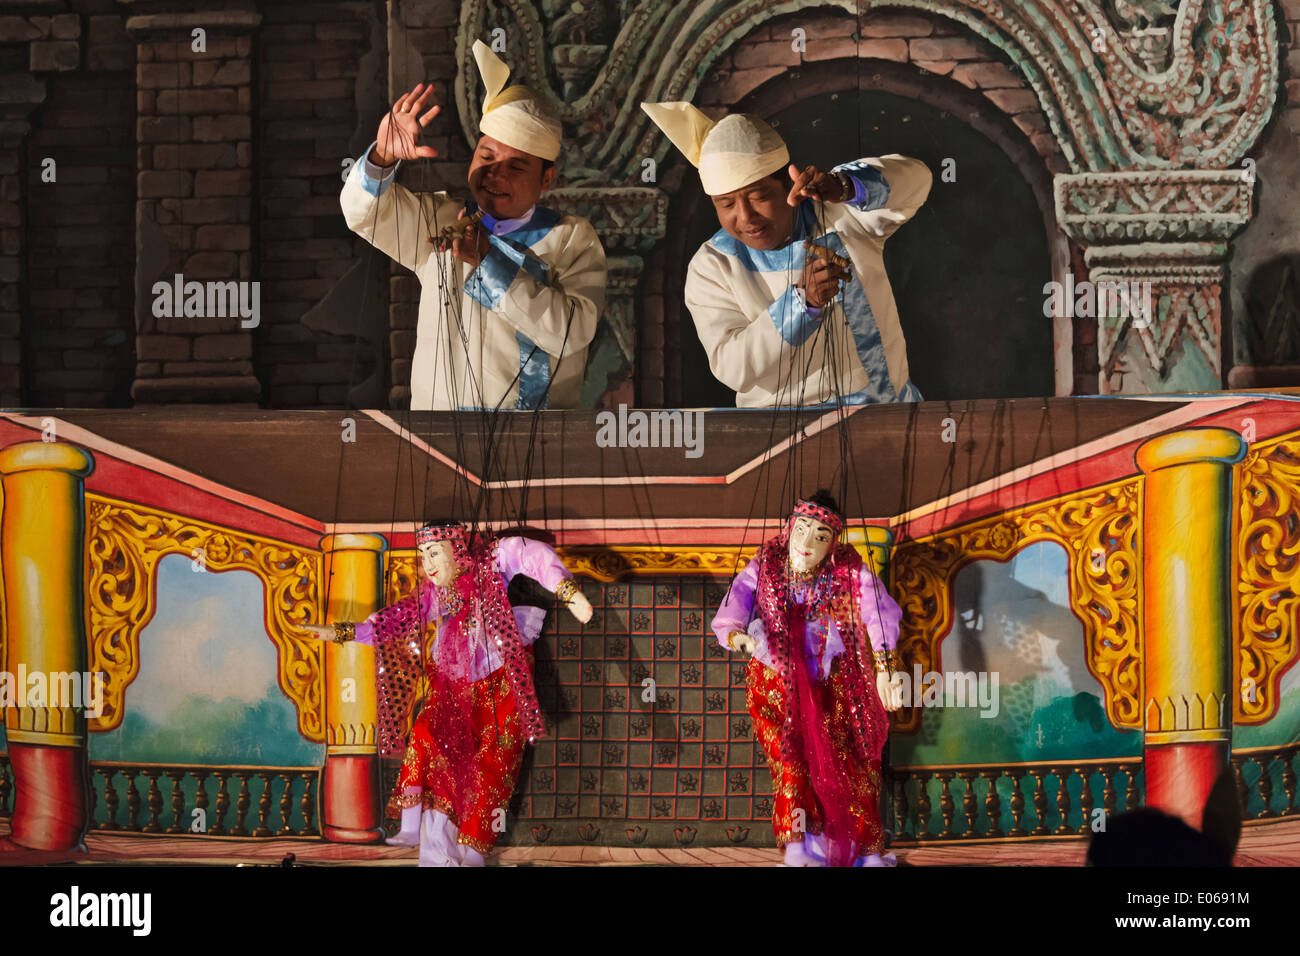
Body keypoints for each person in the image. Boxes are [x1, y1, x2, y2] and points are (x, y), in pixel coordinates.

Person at [307, 521, 593, 866]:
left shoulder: (489, 561)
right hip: (455, 683)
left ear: (457, 551)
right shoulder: (434, 594)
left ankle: (472, 855)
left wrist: (567, 591)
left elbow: (529, 554)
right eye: (422, 555)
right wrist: (345, 631)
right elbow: (396, 620)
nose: (427, 563)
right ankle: (422, 837)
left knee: (490, 771)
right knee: (428, 740)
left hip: (499, 679)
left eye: (433, 553)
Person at [341, 41, 606, 409]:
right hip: (441, 432)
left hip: (534, 437)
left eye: (516, 167)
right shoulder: (440, 222)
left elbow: (572, 332)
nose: (495, 174)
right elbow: (364, 214)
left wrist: (488, 263)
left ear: (546, 180)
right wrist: (383, 156)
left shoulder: (571, 238)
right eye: (486, 157)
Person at [641, 101, 931, 407]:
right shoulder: (713, 265)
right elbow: (732, 366)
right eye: (726, 204)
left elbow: (917, 179)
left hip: (881, 414)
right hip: (776, 433)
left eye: (759, 197)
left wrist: (844, 186)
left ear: (787, 185)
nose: (745, 217)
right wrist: (801, 305)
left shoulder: (840, 213)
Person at [710, 491, 904, 866]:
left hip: (833, 684)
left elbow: (879, 610)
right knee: (792, 764)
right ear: (788, 529)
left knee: (846, 764)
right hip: (777, 682)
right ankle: (802, 847)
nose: (807, 543)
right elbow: (736, 602)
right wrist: (736, 635)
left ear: (832, 543)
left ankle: (859, 850)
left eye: (820, 536)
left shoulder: (847, 571)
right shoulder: (765, 565)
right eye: (802, 530)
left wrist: (884, 668)